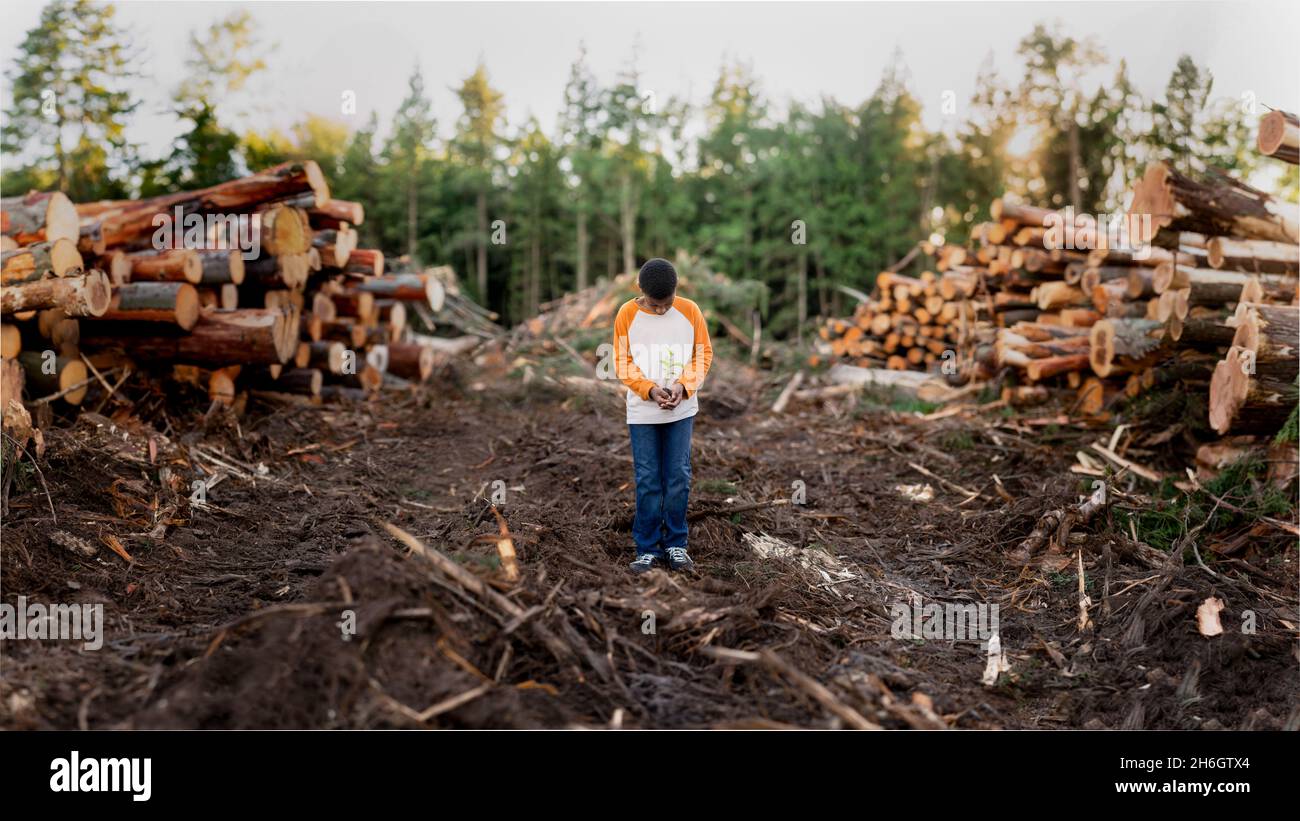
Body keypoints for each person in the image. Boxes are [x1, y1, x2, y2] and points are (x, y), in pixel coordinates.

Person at [612, 258, 713, 573]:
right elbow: (621, 359)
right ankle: (648, 547)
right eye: (655, 305)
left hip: (681, 410)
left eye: (666, 303)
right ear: (640, 291)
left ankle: (676, 544)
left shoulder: (690, 311)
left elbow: (703, 353)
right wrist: (648, 389)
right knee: (648, 479)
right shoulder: (627, 314)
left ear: (676, 291)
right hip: (643, 411)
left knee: (678, 476)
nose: (661, 310)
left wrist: (684, 387)